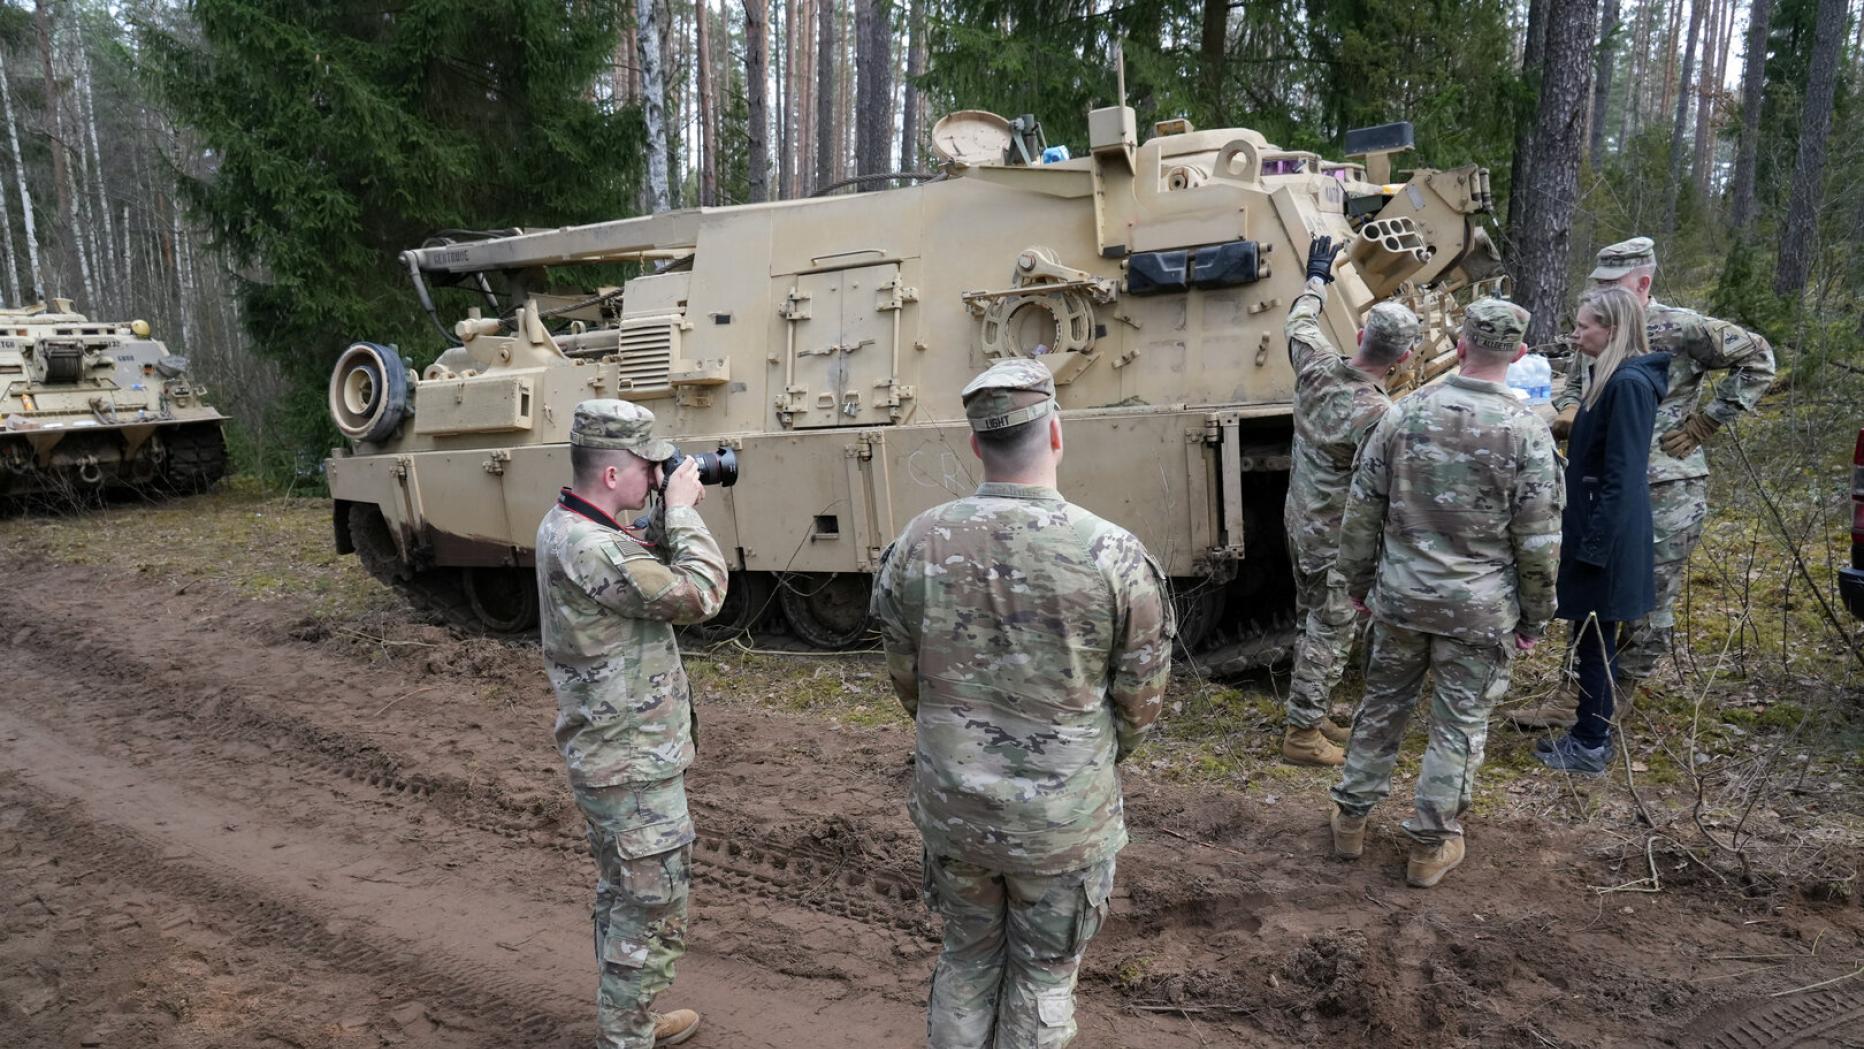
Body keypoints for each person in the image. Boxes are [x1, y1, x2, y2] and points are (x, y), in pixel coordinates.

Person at [869, 358, 1173, 1049]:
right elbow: (1140, 701)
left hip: (956, 806)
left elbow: (905, 680)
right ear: (1056, 432)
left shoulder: (917, 544)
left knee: (967, 960)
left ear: (976, 443)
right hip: (1062, 820)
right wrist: (1088, 760)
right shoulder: (1114, 555)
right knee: (1042, 977)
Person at [1327, 298, 1563, 888]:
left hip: (1401, 599)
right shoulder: (1528, 434)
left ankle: (1349, 820)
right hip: (1481, 611)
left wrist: (1358, 585)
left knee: (1382, 706)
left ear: (1459, 347)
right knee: (1458, 725)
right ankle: (1430, 847)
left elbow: (1361, 514)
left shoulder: (1401, 416)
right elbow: (1538, 543)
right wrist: (1536, 617)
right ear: (1520, 354)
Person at [536, 399, 727, 1049]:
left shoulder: (567, 524)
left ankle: (631, 1019)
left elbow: (634, 558)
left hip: (613, 754)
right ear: (614, 474)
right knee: (653, 900)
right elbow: (700, 591)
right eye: (649, 466)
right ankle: (625, 1036)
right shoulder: (593, 547)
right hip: (630, 762)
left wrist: (666, 508)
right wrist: (680, 510)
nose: (657, 475)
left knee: (625, 890)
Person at [1546, 237, 1775, 689]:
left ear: (1643, 281)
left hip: (1665, 483)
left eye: (1614, 283)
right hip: (1600, 481)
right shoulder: (1599, 323)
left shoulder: (1683, 327)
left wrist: (1705, 422)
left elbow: (1760, 359)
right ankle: (1579, 694)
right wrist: (1571, 410)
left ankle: (1620, 692)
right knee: (1589, 581)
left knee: (1646, 594)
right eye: (1598, 283)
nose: (1601, 292)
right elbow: (1577, 380)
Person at [1281, 234, 1419, 767]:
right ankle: (1302, 734)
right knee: (1330, 629)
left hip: (1299, 520)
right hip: (1338, 539)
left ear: (1361, 334)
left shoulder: (1315, 366)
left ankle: (1308, 707)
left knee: (1308, 620)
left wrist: (1318, 276)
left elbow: (1299, 321)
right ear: (1404, 357)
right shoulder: (1380, 417)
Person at [1537, 288, 1669, 774]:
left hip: (1607, 536)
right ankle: (1585, 731)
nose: (1575, 334)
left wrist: (1594, 546)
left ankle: (1591, 744)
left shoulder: (1629, 385)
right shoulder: (1606, 377)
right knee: (1590, 635)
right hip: (1596, 527)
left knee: (1597, 638)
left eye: (1584, 325)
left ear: (1611, 329)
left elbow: (1622, 475)